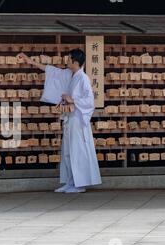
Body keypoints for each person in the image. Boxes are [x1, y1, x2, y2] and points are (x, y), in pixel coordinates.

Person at [18, 49, 102, 193]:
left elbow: (89, 101)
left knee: (77, 151)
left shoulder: (83, 78)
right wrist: (31, 61)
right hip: (70, 117)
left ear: (75, 62)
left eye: (69, 59)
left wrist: (72, 99)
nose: (66, 61)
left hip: (78, 119)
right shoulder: (71, 74)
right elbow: (52, 71)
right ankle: (70, 182)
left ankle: (79, 184)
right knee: (68, 151)